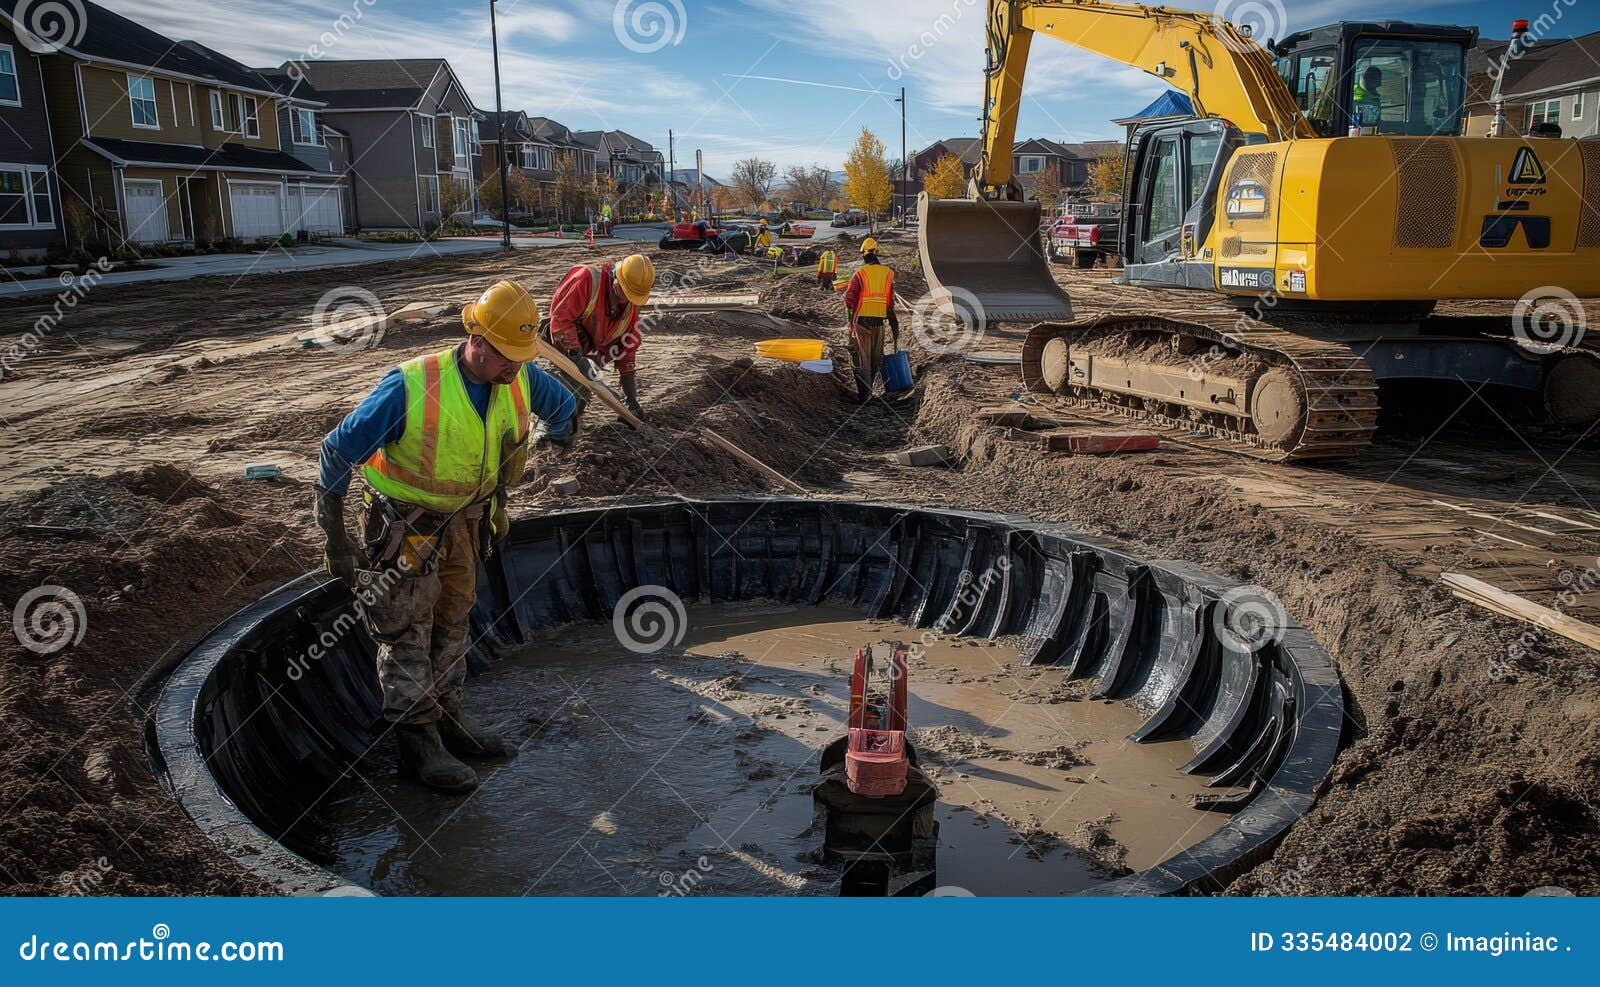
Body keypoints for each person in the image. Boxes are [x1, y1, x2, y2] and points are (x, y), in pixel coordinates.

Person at [315, 281, 576, 793]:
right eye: (507, 356)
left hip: (467, 527)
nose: (516, 368)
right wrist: (335, 538)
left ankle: (450, 722)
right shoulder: (411, 386)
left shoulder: (520, 378)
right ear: (477, 338)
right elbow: (336, 451)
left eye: (523, 357)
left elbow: (564, 409)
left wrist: (554, 441)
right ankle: (418, 746)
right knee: (406, 632)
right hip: (404, 532)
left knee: (453, 624)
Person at [544, 253, 655, 423]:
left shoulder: (629, 311)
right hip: (559, 342)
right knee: (574, 391)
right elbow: (561, 320)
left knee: (582, 392)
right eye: (625, 293)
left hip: (586, 349)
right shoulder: (587, 280)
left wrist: (631, 399)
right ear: (616, 278)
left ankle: (565, 429)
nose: (627, 300)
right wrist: (576, 358)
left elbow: (627, 349)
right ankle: (550, 433)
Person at [842, 236, 899, 403]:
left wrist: (849, 320)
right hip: (879, 322)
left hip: (862, 321)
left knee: (862, 357)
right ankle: (869, 391)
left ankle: (864, 395)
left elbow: (849, 299)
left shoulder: (860, 274)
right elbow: (889, 302)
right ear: (877, 253)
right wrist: (894, 325)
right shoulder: (888, 273)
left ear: (863, 255)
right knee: (875, 358)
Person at [1351, 66, 1383, 132]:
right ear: (1362, 78)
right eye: (1370, 78)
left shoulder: (1376, 100)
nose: (1378, 83)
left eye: (1376, 79)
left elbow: (1377, 123)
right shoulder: (1350, 96)